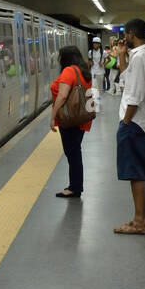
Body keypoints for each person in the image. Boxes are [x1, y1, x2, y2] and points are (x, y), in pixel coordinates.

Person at [114, 19, 145, 234]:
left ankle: (139, 221)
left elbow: (135, 93)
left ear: (131, 34)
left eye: (126, 34)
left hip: (136, 123)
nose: (124, 38)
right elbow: (127, 79)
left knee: (135, 173)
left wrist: (126, 120)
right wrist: (121, 56)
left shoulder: (141, 57)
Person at [49, 45, 93, 199]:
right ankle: (75, 186)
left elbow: (62, 96)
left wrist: (53, 116)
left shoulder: (69, 71)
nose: (59, 59)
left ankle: (74, 187)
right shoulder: (84, 71)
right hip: (81, 117)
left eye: (60, 56)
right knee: (74, 152)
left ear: (66, 57)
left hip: (69, 119)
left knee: (72, 153)